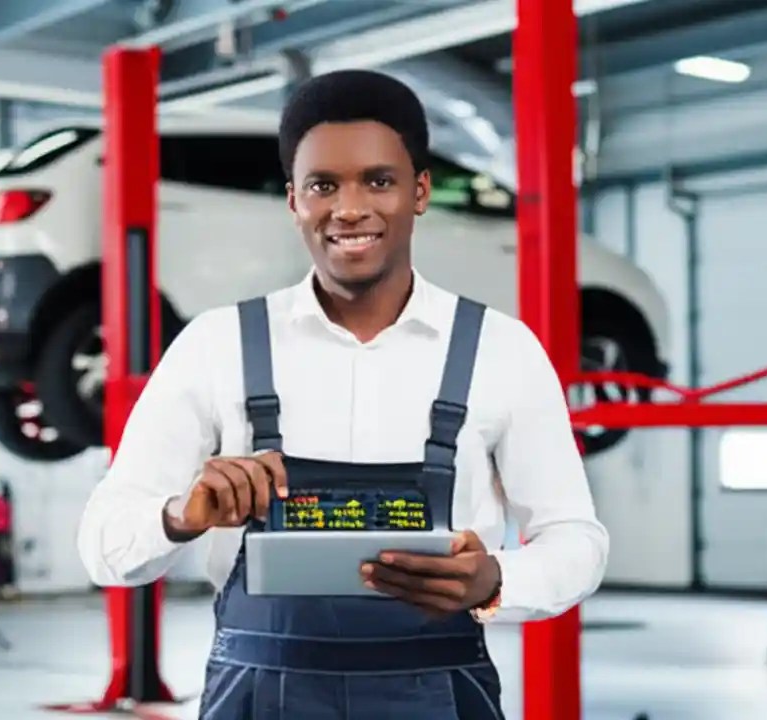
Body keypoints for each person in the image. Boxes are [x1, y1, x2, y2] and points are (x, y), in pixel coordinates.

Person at [76, 68, 609, 719]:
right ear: (294, 201)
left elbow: (575, 539)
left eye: (378, 181)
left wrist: (496, 579)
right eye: (323, 185)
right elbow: (102, 541)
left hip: (437, 693)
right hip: (260, 696)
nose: (349, 207)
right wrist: (180, 515)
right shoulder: (215, 346)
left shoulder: (504, 351)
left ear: (419, 192)